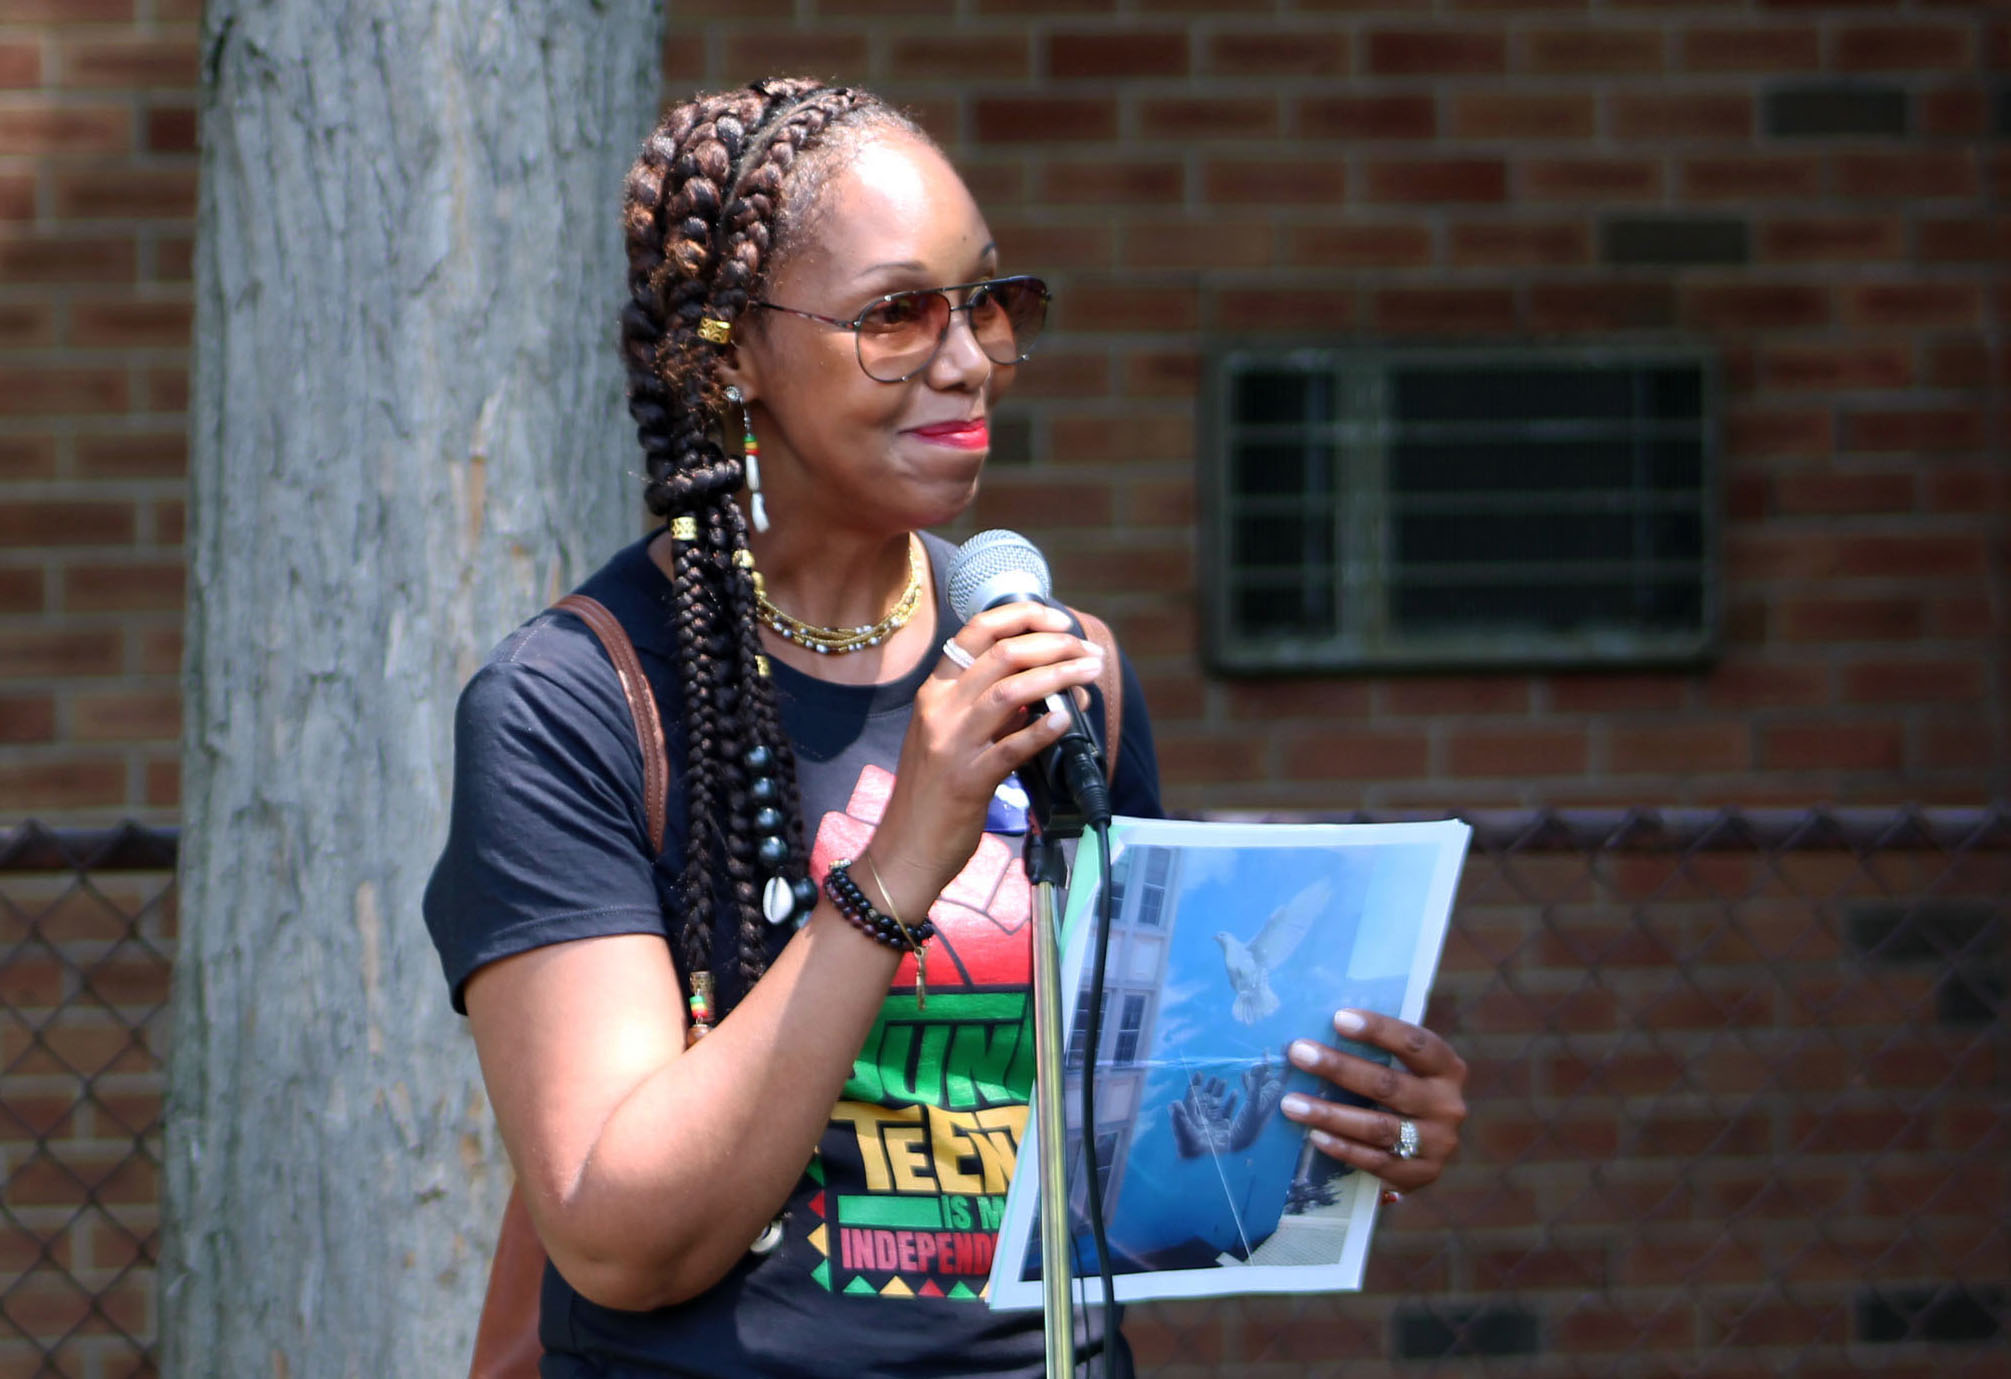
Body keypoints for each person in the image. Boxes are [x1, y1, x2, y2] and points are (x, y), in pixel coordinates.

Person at [423, 78, 1469, 1378]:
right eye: (897, 314)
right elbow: (621, 1240)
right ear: (731, 353)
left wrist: (1344, 1124)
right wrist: (901, 858)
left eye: (987, 302)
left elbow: (1138, 1118)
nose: (967, 356)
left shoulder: (1059, 668)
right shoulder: (575, 703)